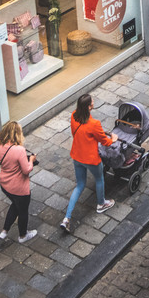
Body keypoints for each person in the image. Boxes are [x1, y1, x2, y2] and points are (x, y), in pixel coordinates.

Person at [61, 94, 115, 234]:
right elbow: (105, 142)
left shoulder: (74, 116)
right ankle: (101, 203)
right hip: (91, 159)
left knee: (79, 185)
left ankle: (67, 218)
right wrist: (113, 138)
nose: (93, 101)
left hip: (77, 156)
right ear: (89, 106)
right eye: (92, 101)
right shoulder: (94, 124)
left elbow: (75, 134)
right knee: (99, 179)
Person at [0, 121, 38, 244]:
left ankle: (5, 231)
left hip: (5, 184)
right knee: (22, 211)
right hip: (19, 189)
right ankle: (23, 236)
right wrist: (31, 160)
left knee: (15, 205)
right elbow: (26, 170)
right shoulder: (19, 150)